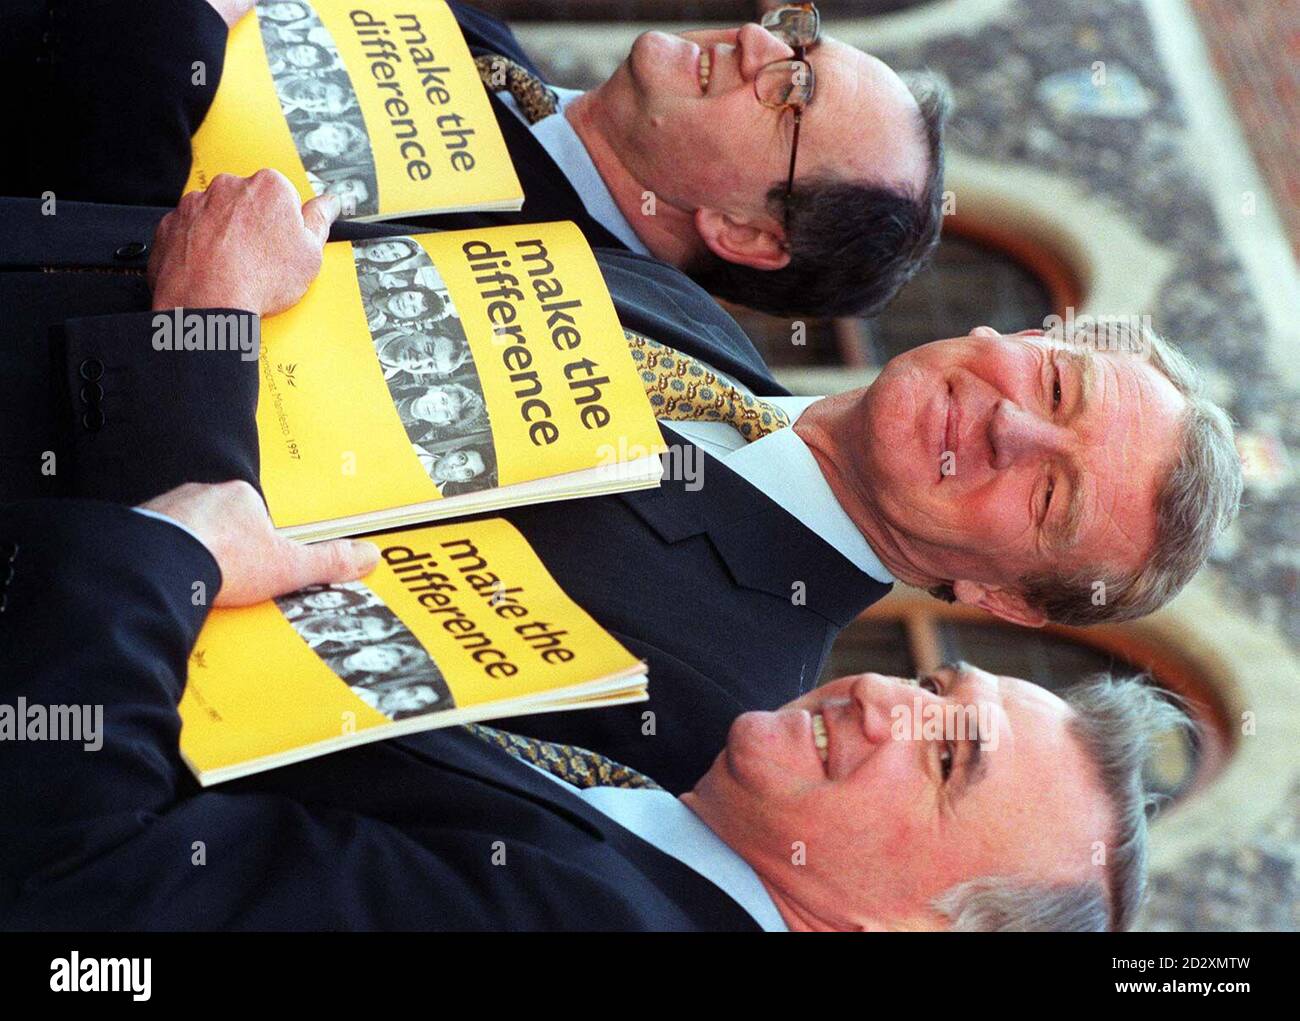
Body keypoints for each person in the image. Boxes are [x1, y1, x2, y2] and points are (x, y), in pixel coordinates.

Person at [0, 173, 1239, 790]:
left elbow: (204, 683)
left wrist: (204, 325)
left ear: (1004, 601)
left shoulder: (708, 711)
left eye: (1049, 497)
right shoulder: (686, 308)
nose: (1014, 423)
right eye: (1060, 388)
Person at [0, 477, 1190, 931]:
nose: (885, 702)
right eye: (936, 686)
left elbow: (82, 899)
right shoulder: (651, 833)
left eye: (946, 763)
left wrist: (162, 559)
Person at [3, 0, 947, 319]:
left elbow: (119, 258)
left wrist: (170, 32)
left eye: (794, 92)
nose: (755, 42)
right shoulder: (497, 54)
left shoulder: (498, 283)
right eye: (799, 42)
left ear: (744, 231)